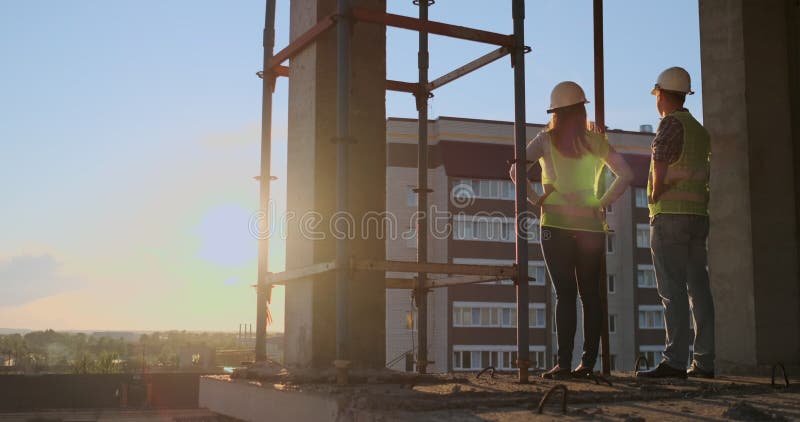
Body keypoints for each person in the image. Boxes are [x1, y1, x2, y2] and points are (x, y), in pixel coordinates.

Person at [510, 81, 632, 379]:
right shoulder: (596, 141)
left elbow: (515, 170)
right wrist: (601, 202)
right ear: (581, 108)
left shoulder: (545, 140)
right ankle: (587, 365)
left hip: (556, 225)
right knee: (590, 295)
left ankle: (563, 364)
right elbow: (626, 174)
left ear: (556, 112)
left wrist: (536, 199)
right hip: (590, 226)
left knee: (564, 295)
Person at [636, 67, 715, 379]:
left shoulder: (670, 123)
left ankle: (675, 361)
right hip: (698, 217)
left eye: (657, 95)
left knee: (672, 289)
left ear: (662, 95)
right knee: (699, 289)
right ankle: (705, 362)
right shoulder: (699, 130)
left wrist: (656, 191)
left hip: (670, 217)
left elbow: (659, 164)